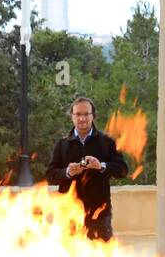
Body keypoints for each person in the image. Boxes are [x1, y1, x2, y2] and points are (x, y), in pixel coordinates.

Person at [44, 95, 128, 240]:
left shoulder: (107, 142)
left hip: (99, 213)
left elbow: (123, 170)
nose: (82, 118)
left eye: (86, 114)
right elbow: (50, 176)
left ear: (93, 116)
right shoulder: (62, 145)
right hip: (69, 213)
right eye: (78, 114)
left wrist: (101, 166)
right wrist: (68, 172)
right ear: (72, 116)